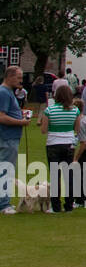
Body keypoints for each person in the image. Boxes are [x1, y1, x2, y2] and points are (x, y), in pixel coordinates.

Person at [40, 84, 79, 212]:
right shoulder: (75, 110)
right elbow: (77, 129)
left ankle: (56, 206)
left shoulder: (49, 110)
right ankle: (69, 205)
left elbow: (43, 130)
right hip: (69, 143)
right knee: (69, 176)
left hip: (53, 144)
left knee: (55, 176)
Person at [1, 66, 32, 215]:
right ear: (9, 77)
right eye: (19, 78)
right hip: (7, 137)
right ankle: (3, 204)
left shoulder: (8, 92)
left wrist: (20, 114)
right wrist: (22, 122)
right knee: (6, 171)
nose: (21, 81)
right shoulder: (4, 93)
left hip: (9, 137)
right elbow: (1, 116)